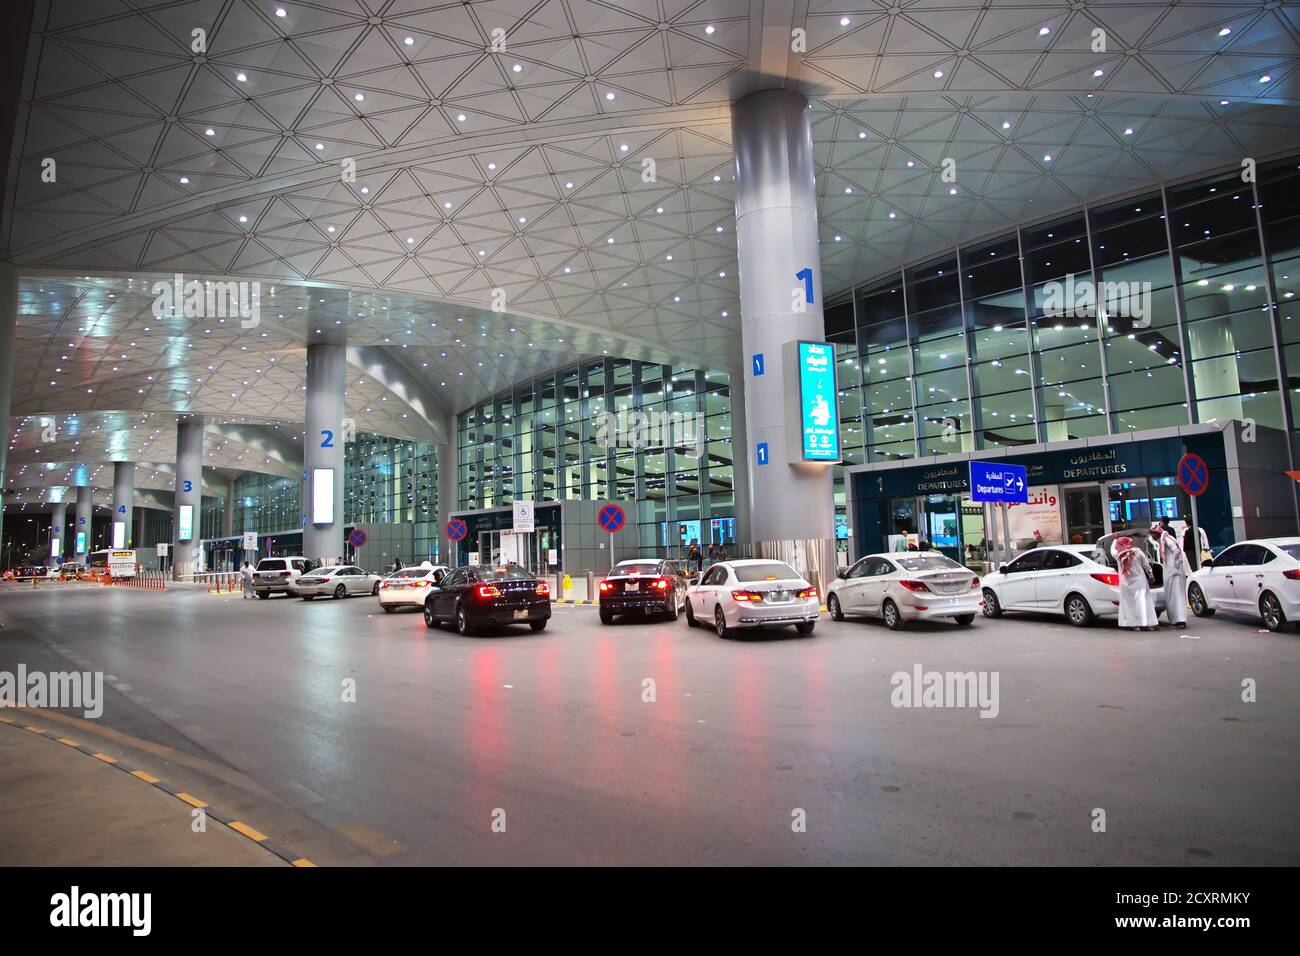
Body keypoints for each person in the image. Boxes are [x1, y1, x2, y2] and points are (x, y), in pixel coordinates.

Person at [1115, 535, 1158, 631]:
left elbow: (1111, 550)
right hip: (1140, 581)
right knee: (1143, 602)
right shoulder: (1138, 552)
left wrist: (1115, 539)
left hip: (1126, 583)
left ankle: (1132, 624)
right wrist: (1151, 575)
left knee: (1129, 604)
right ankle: (1145, 624)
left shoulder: (1119, 555)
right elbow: (1146, 565)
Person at [1151, 522, 1190, 628]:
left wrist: (1175, 565)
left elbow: (1176, 551)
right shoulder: (1163, 540)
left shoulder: (1166, 539)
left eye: (1153, 534)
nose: (1152, 537)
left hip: (1173, 571)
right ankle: (1177, 618)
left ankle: (1179, 619)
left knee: (1175, 595)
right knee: (1173, 595)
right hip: (1172, 570)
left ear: (1157, 533)